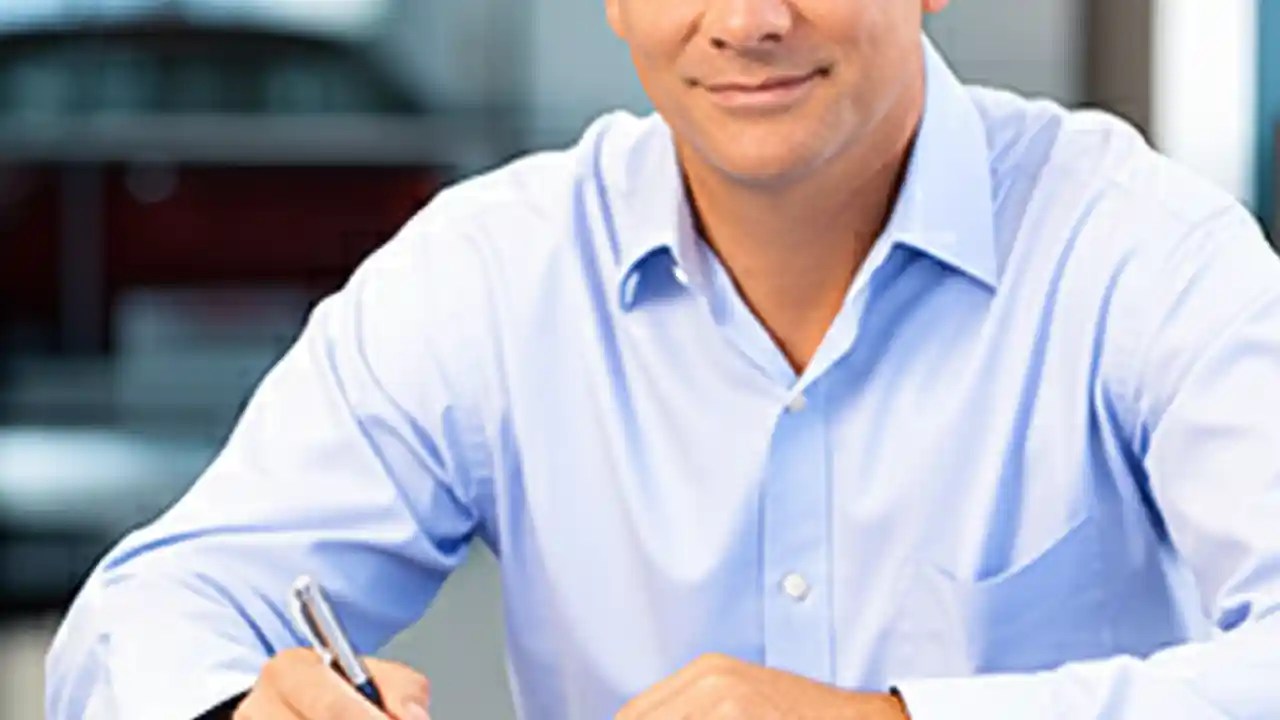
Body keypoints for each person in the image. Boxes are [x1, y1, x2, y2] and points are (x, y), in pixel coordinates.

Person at [45, 0, 1280, 718]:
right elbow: (147, 612)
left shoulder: (1138, 253)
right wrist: (236, 710)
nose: (746, 21)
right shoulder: (494, 270)